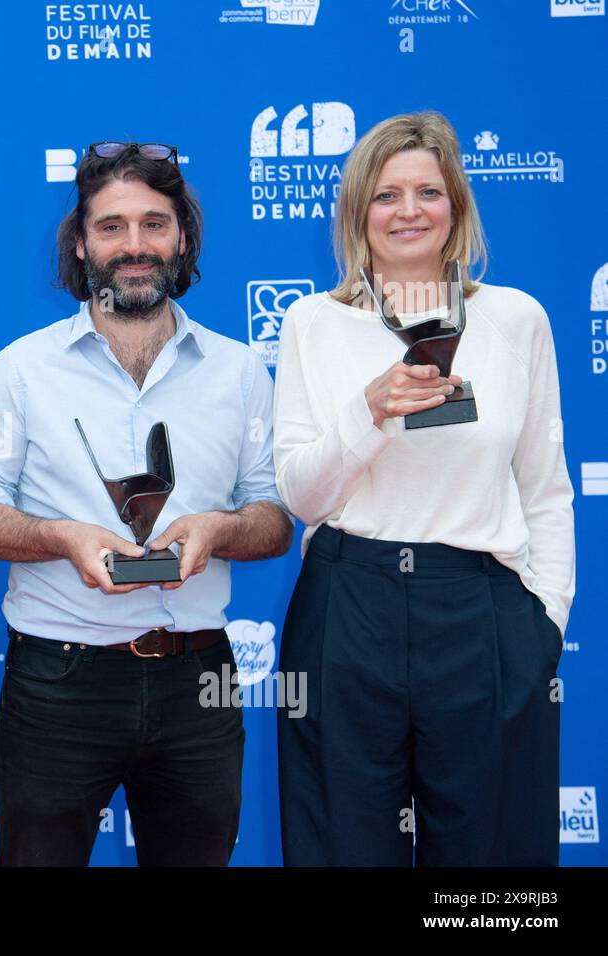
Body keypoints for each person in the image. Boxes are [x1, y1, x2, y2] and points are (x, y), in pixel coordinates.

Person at [0, 142, 293, 867]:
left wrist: (219, 528)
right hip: (59, 683)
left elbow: (272, 520)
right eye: (111, 227)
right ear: (80, 242)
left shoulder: (238, 372)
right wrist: (64, 537)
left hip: (201, 679)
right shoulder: (22, 369)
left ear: (183, 237)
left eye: (154, 224)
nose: (134, 246)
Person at [272, 111, 574, 866]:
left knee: (493, 862)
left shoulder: (516, 319)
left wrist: (546, 623)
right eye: (385, 195)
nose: (408, 211)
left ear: (457, 209)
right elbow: (301, 496)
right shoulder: (314, 323)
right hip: (348, 607)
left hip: (484, 610)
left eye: (428, 192)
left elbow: (546, 488)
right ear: (355, 214)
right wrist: (366, 415)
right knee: (344, 844)